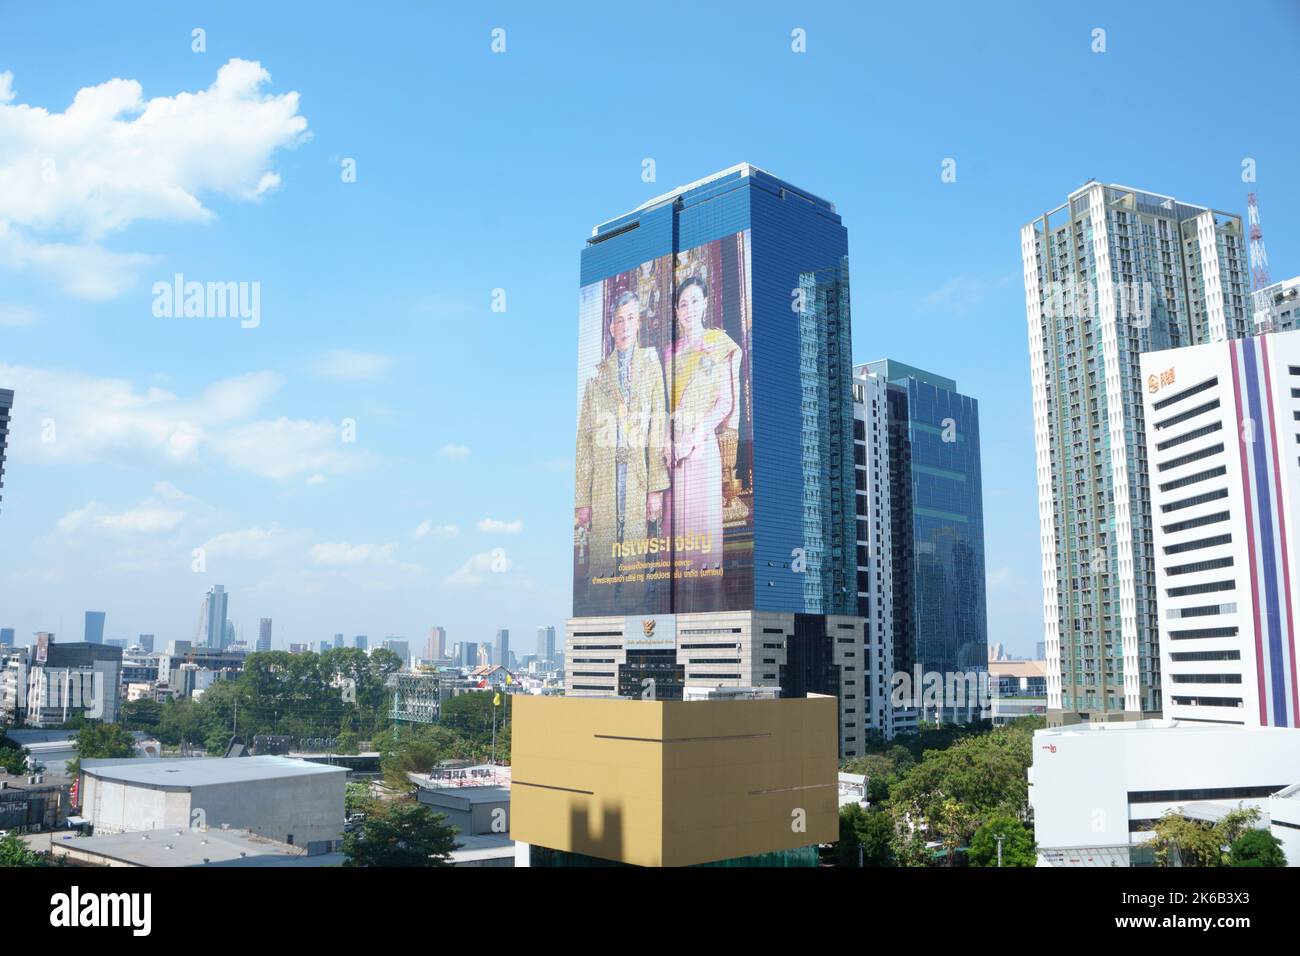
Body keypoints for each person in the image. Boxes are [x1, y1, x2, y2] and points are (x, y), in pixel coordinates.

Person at [575, 290, 670, 579]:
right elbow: (585, 440)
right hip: (604, 479)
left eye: (631, 318)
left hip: (638, 476)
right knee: (603, 560)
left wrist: (655, 488)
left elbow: (658, 427)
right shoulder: (596, 375)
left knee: (634, 559)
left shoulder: (651, 365)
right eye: (619, 320)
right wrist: (582, 499)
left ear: (638, 322)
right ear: (611, 327)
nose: (625, 326)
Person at [667, 277, 740, 572]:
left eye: (695, 301)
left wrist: (693, 438)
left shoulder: (718, 344)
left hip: (700, 447)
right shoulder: (669, 354)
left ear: (706, 303)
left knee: (702, 534)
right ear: (676, 311)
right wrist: (668, 442)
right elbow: (662, 406)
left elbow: (725, 402)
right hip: (672, 455)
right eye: (683, 304)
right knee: (675, 538)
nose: (689, 309)